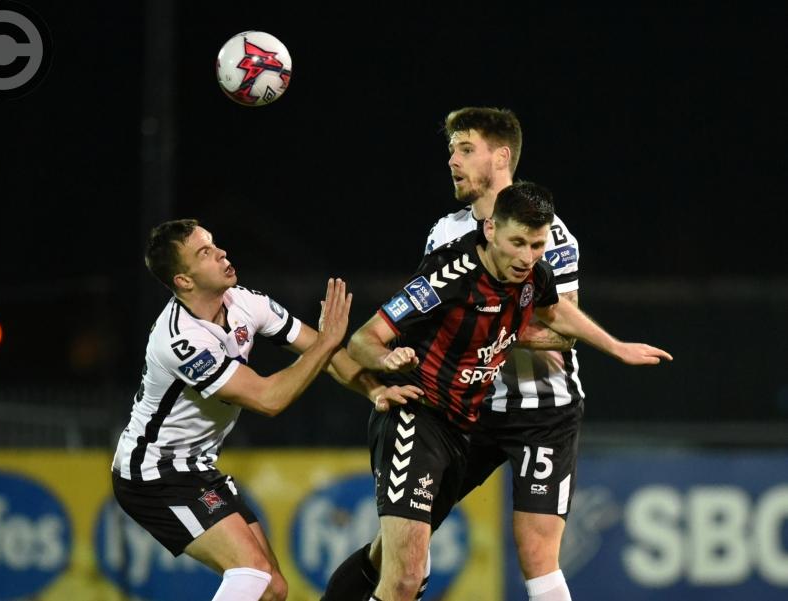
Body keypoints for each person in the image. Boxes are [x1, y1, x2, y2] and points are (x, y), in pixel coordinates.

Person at [324, 182, 671, 601]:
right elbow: (364, 338)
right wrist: (385, 360)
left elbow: (556, 310)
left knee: (396, 567)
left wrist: (615, 346)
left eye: (537, 245)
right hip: (416, 417)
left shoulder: (534, 274)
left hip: (459, 430)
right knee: (404, 578)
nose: (527, 257)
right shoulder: (446, 276)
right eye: (518, 243)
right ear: (490, 230)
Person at [323, 107, 584, 601]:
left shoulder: (548, 235)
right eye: (451, 150)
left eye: (465, 149)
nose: (452, 160)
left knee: (538, 557)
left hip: (541, 412)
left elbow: (561, 333)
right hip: (461, 413)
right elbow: (426, 319)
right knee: (395, 553)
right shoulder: (446, 233)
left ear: (501, 156)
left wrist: (487, 330)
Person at [111, 219, 422, 601]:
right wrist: (326, 343)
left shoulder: (245, 302)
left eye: (215, 244)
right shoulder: (179, 340)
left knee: (273, 587)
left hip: (196, 470)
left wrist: (376, 391)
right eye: (204, 253)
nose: (222, 253)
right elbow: (268, 398)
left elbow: (326, 354)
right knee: (252, 573)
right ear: (184, 281)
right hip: (153, 475)